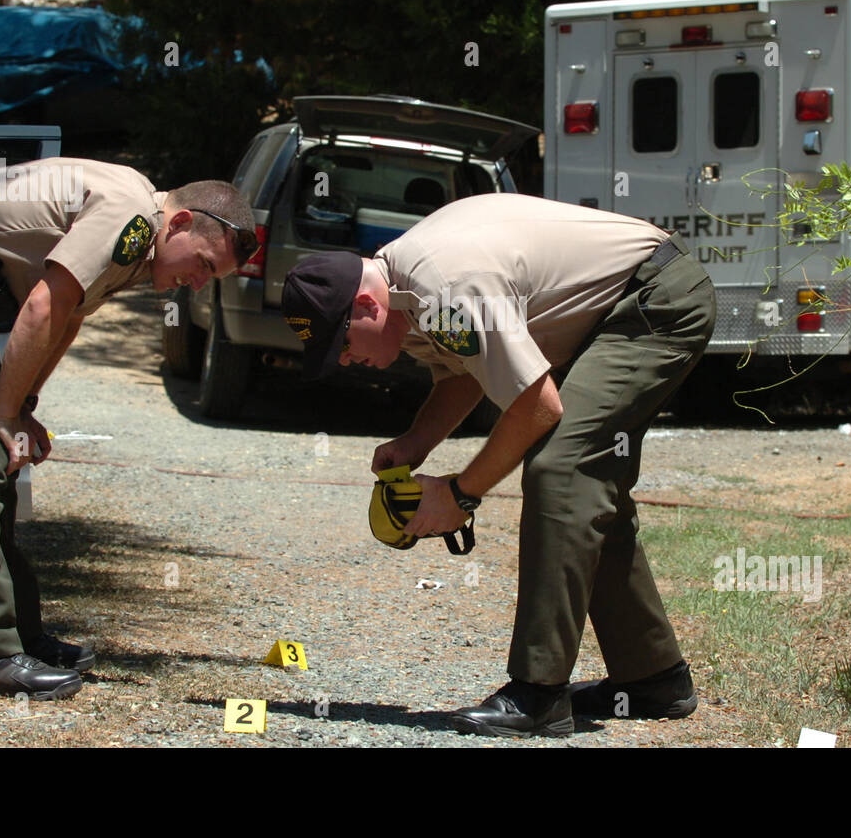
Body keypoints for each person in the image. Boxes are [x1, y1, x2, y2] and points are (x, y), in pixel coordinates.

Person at [282, 192, 716, 737]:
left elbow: (538, 407)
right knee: (585, 485)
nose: (346, 360)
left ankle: (539, 694)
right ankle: (653, 679)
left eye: (341, 344)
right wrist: (417, 442)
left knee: (561, 468)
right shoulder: (408, 289)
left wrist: (459, 494)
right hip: (619, 305)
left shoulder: (444, 287)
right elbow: (468, 369)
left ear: (367, 307)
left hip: (652, 300)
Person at [0, 159, 256, 700]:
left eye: (210, 279)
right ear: (183, 222)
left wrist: (23, 406)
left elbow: (68, 316)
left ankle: (17, 637)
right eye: (204, 265)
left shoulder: (141, 241)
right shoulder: (129, 214)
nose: (196, 284)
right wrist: (5, 416)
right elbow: (42, 307)